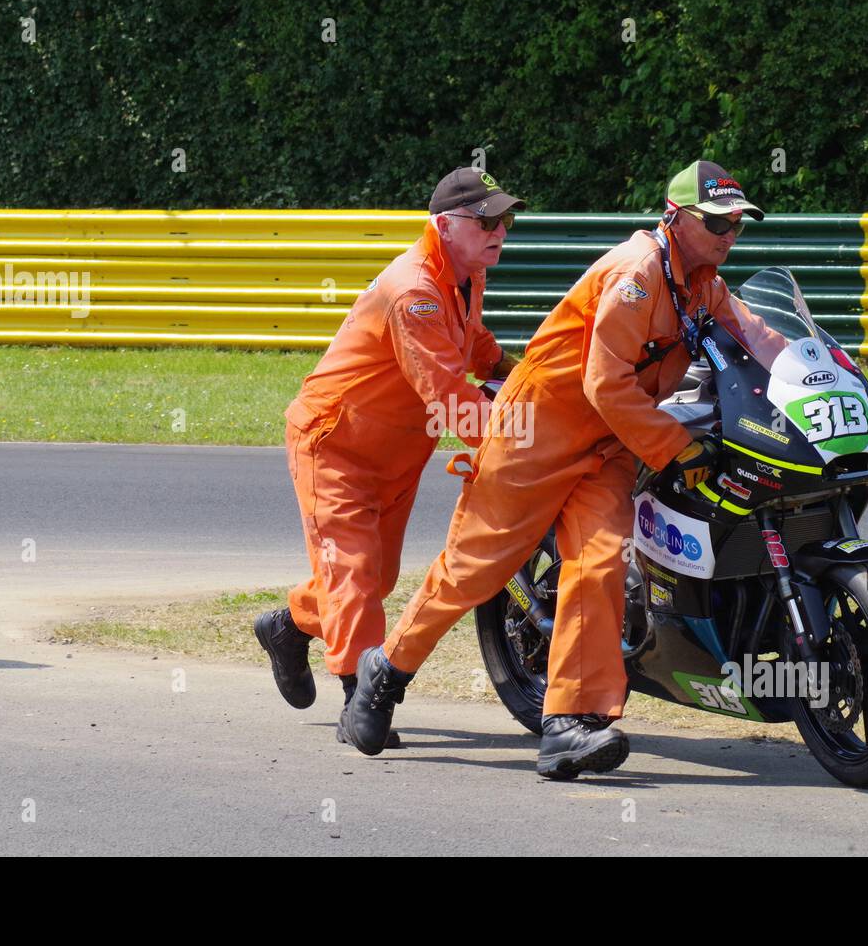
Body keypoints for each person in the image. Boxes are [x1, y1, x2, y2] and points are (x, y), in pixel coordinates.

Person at [342, 160, 770, 778]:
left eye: (739, 223)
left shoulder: (702, 281)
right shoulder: (636, 274)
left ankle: (570, 721)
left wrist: (814, 373)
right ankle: (387, 671)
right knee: (471, 569)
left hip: (610, 443)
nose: (731, 234)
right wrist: (675, 445)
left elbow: (757, 336)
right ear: (675, 219)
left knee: (598, 562)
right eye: (718, 221)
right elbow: (604, 381)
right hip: (537, 431)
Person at [255, 167, 524, 746]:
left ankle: (289, 626)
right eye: (486, 221)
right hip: (336, 443)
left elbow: (467, 338)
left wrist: (508, 369)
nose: (499, 230)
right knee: (352, 573)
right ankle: (358, 698)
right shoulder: (415, 290)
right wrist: (521, 444)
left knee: (375, 577)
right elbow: (449, 397)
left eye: (503, 220)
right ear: (445, 225)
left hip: (396, 449)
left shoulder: (465, 272)